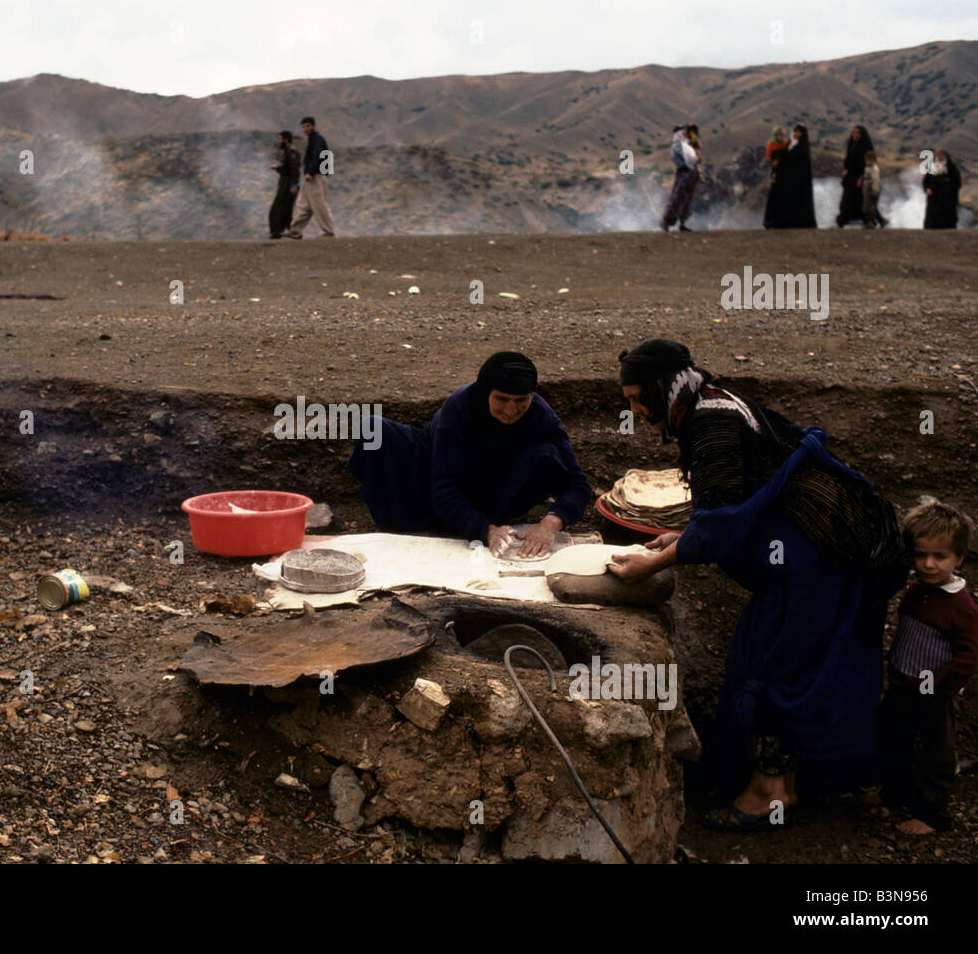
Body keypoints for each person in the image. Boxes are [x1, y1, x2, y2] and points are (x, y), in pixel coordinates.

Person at [608, 338, 908, 830]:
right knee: (772, 659)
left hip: (815, 564)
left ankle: (771, 794)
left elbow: (723, 521)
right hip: (810, 557)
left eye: (641, 398)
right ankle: (784, 784)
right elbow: (737, 503)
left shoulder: (711, 425)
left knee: (776, 669)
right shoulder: (711, 403)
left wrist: (654, 564)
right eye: (630, 402)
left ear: (667, 387)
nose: (638, 411)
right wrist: (682, 537)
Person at [347, 351, 591, 557]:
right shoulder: (459, 408)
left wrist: (551, 523)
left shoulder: (540, 415)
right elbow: (444, 491)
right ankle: (400, 530)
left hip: (495, 488)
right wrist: (487, 531)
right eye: (502, 399)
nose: (510, 410)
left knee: (546, 453)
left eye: (521, 400)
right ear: (485, 392)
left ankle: (488, 517)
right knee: (374, 429)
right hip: (436, 477)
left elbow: (578, 484)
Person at [878, 502, 978, 835]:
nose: (929, 564)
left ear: (959, 558)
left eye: (940, 556)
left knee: (937, 751)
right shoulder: (917, 590)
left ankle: (932, 813)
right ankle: (894, 793)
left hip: (934, 690)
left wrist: (941, 684)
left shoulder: (960, 605)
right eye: (920, 555)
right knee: (894, 737)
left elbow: (969, 653)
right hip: (903, 681)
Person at [286, 116, 335, 239]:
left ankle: (328, 232)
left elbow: (318, 156)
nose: (305, 129)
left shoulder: (318, 140)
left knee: (319, 204)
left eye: (307, 126)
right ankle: (295, 230)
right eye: (304, 127)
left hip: (315, 176)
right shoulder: (313, 140)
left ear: (313, 126)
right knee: (303, 205)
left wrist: (311, 172)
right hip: (311, 176)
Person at [660, 124, 701, 231]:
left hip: (690, 173)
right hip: (684, 173)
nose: (686, 134)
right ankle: (667, 222)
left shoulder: (687, 145)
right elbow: (691, 158)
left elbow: (698, 159)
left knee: (687, 199)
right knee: (677, 198)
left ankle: (682, 223)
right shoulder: (678, 145)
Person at [836, 125, 874, 227]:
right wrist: (846, 169)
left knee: (862, 201)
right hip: (850, 178)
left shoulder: (865, 147)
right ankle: (843, 219)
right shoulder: (852, 145)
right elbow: (848, 159)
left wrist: (861, 177)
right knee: (846, 200)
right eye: (854, 133)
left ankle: (869, 221)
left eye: (858, 133)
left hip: (860, 178)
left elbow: (867, 164)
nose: (855, 135)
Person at [267, 130, 301, 239]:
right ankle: (281, 232)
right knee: (284, 209)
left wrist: (293, 185)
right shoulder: (285, 152)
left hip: (289, 184)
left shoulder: (292, 152)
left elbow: (295, 170)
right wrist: (278, 168)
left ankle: (282, 232)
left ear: (286, 140)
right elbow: (286, 169)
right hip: (284, 183)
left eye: (280, 139)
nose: (279, 141)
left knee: (279, 209)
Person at [924, 151, 962, 229]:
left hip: (947, 197)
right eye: (939, 156)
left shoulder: (952, 169)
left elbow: (957, 183)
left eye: (942, 156)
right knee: (933, 214)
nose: (940, 157)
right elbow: (926, 181)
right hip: (933, 197)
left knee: (947, 214)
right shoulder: (932, 168)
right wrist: (927, 189)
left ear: (946, 157)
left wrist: (949, 186)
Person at [762, 127, 788, 229]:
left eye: (782, 134)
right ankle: (771, 221)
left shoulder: (785, 144)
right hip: (776, 172)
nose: (780, 136)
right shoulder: (772, 144)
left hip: (784, 172)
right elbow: (768, 157)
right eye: (778, 134)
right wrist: (774, 161)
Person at [861, 151, 887, 228]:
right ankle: (880, 221)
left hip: (872, 192)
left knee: (871, 208)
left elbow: (875, 181)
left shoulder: (874, 169)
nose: (868, 162)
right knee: (867, 208)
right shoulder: (867, 168)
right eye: (867, 160)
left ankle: (871, 223)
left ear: (874, 160)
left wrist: (875, 191)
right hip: (866, 192)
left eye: (870, 160)